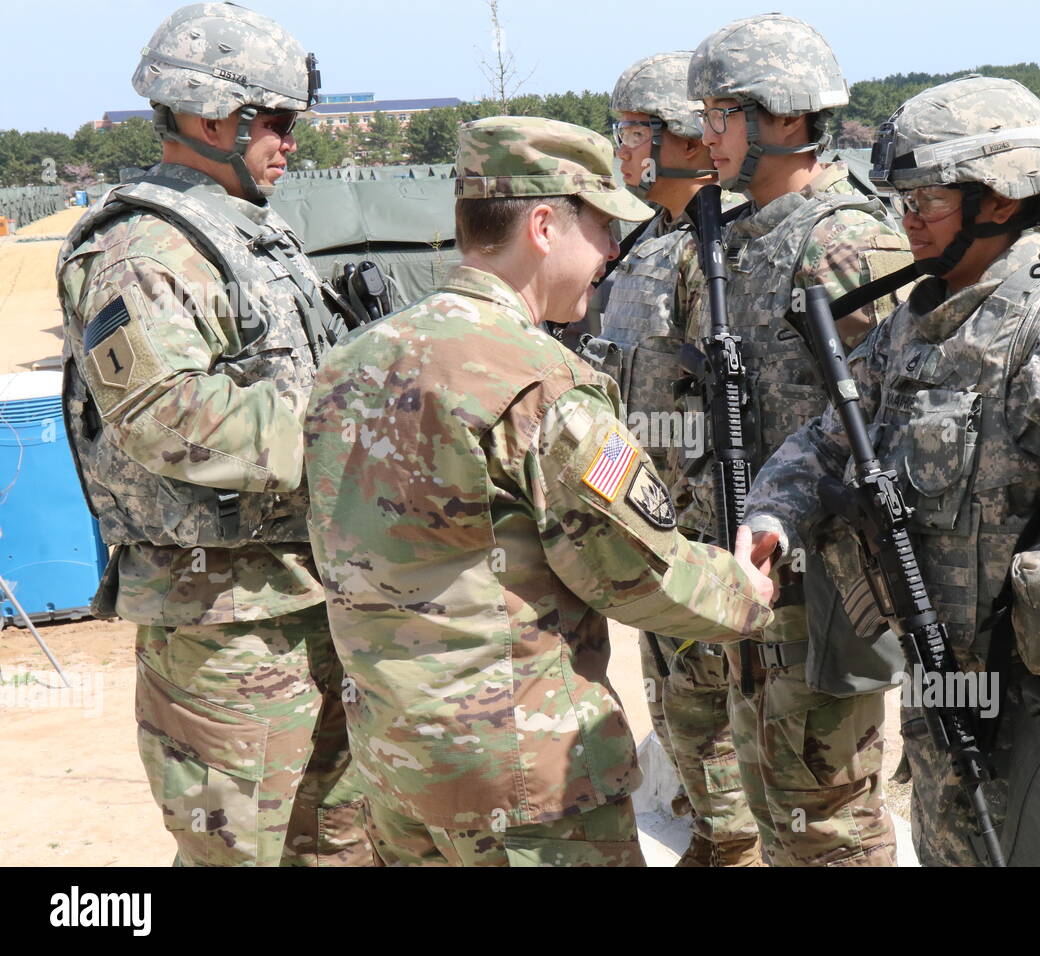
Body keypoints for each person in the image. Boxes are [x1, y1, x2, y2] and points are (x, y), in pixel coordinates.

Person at [302, 115, 775, 868]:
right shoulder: (543, 384)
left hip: (398, 771)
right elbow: (638, 573)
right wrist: (746, 590)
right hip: (526, 789)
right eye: (602, 228)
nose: (614, 251)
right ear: (545, 225)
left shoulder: (351, 363)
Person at [743, 75, 1040, 866]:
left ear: (1000, 201)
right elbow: (832, 435)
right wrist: (771, 514)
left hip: (1034, 690)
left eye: (926, 204)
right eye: (904, 203)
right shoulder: (918, 319)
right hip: (939, 680)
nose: (907, 224)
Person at [56, 3, 371, 866]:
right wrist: (354, 434)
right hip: (223, 622)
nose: (289, 141)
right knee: (235, 853)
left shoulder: (250, 235)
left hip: (310, 593)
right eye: (273, 121)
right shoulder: (145, 249)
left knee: (342, 844)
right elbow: (165, 415)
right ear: (208, 117)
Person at [685, 12, 915, 867]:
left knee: (827, 822)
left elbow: (895, 409)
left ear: (784, 118)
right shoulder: (743, 237)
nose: (705, 136)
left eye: (720, 114)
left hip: (827, 588)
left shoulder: (844, 238)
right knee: (771, 806)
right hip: (761, 570)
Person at [579, 51, 762, 868]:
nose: (620, 148)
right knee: (672, 695)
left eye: (631, 131)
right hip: (652, 516)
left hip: (709, 522)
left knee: (711, 710)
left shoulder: (717, 250)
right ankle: (716, 837)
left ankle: (735, 846)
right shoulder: (648, 241)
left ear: (683, 138)